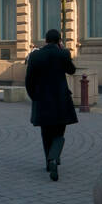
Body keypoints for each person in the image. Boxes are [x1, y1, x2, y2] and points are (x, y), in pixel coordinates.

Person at [25, 29, 79, 181]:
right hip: (61, 100)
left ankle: (49, 162)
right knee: (59, 132)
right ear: (59, 41)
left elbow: (28, 80)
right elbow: (72, 70)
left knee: (45, 132)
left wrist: (33, 96)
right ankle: (54, 157)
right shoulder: (62, 54)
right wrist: (64, 52)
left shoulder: (35, 55)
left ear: (46, 40)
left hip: (42, 100)